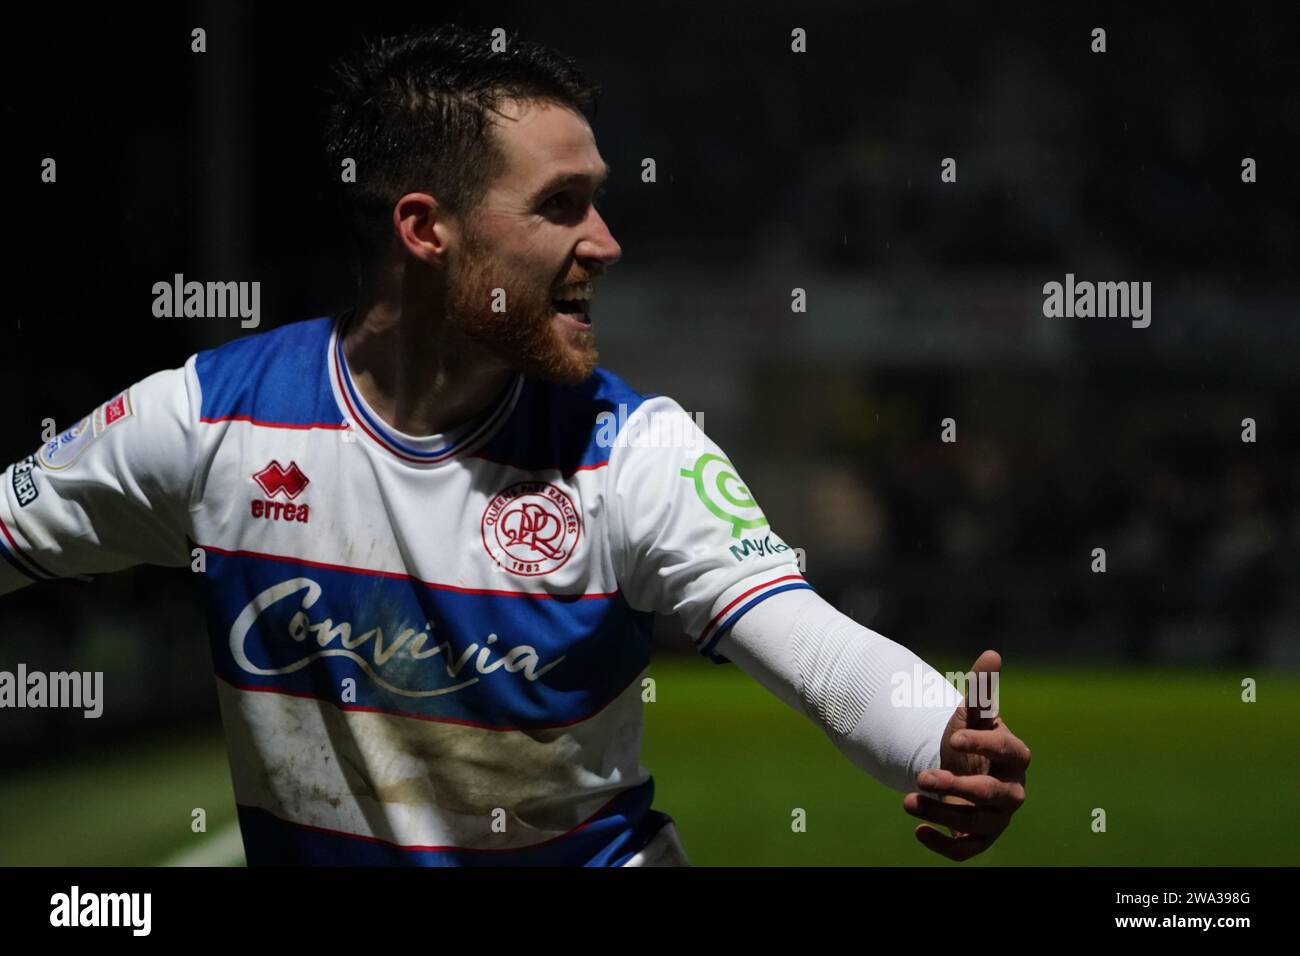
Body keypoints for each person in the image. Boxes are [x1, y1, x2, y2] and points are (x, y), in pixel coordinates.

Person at [0, 24, 1027, 866]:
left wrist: (938, 736)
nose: (607, 242)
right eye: (561, 205)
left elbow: (815, 646)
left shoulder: (635, 451)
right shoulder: (209, 421)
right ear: (425, 228)